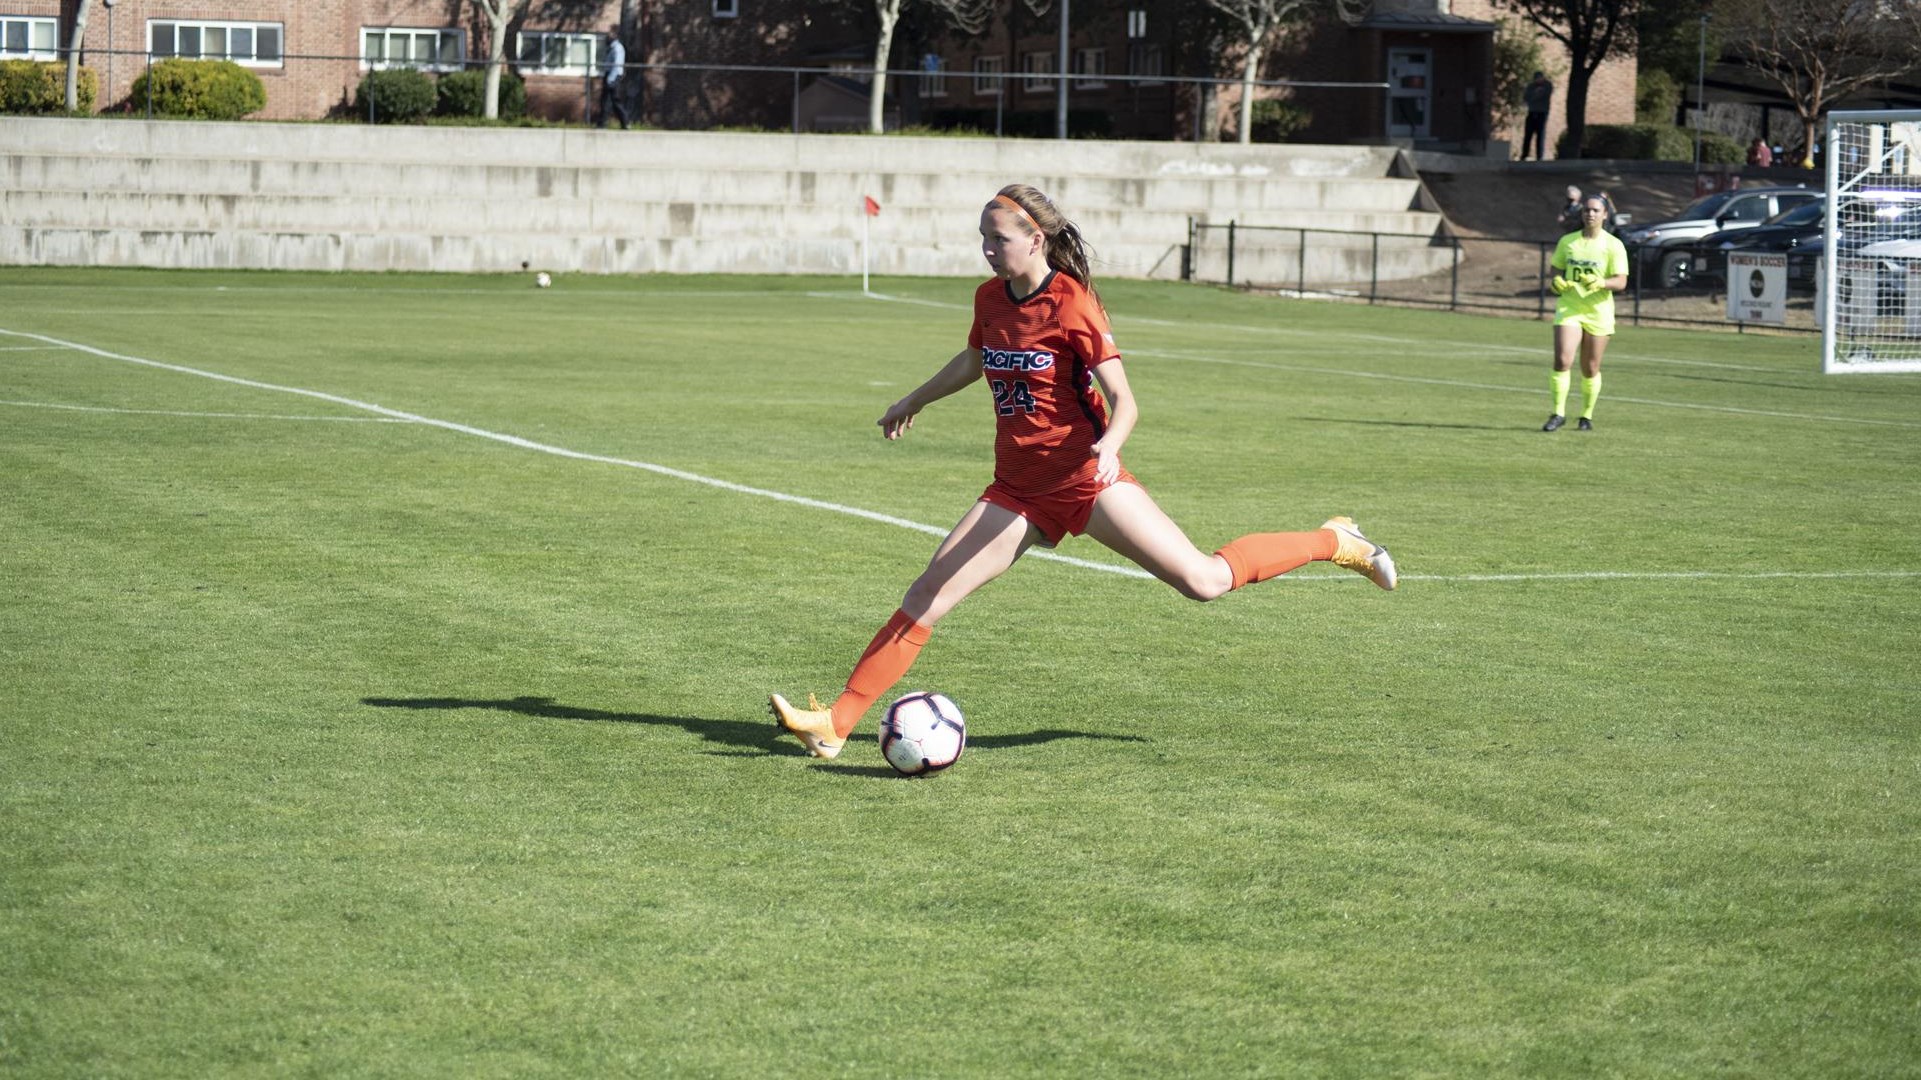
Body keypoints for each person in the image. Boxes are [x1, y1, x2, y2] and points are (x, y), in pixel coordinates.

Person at [770, 184, 1399, 759]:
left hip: (1088, 483)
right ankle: (837, 725)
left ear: (1036, 240)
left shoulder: (1072, 302)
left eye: (1000, 239)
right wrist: (915, 398)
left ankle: (1334, 540)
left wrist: (1108, 448)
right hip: (1017, 490)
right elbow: (974, 360)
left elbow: (1125, 401)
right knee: (926, 597)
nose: (988, 250)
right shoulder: (990, 300)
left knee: (1203, 581)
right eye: (983, 238)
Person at [1543, 196, 1629, 433]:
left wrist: (1600, 282)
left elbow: (1621, 281)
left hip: (1598, 311)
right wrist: (1557, 282)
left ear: (1605, 215)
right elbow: (1555, 270)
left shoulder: (1613, 245)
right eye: (1586, 210)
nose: (1590, 214)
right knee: (1562, 360)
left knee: (1590, 367)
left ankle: (1586, 416)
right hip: (1570, 308)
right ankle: (1558, 413)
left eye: (1595, 210)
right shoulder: (1568, 242)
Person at [596, 26, 629, 130]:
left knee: (614, 100)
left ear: (615, 36)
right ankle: (602, 123)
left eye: (609, 36)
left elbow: (617, 65)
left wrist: (610, 79)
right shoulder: (611, 48)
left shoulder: (617, 48)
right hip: (610, 75)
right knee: (605, 100)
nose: (607, 38)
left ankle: (624, 122)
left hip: (613, 76)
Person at [1521, 72, 1553, 161]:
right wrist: (1535, 93)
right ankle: (1524, 154)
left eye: (1540, 78)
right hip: (1532, 111)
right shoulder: (1531, 86)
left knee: (1540, 134)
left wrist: (1534, 95)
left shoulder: (1547, 85)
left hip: (1542, 112)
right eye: (1537, 78)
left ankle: (1539, 156)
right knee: (1528, 134)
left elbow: (1544, 95)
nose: (1538, 80)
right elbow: (1526, 97)